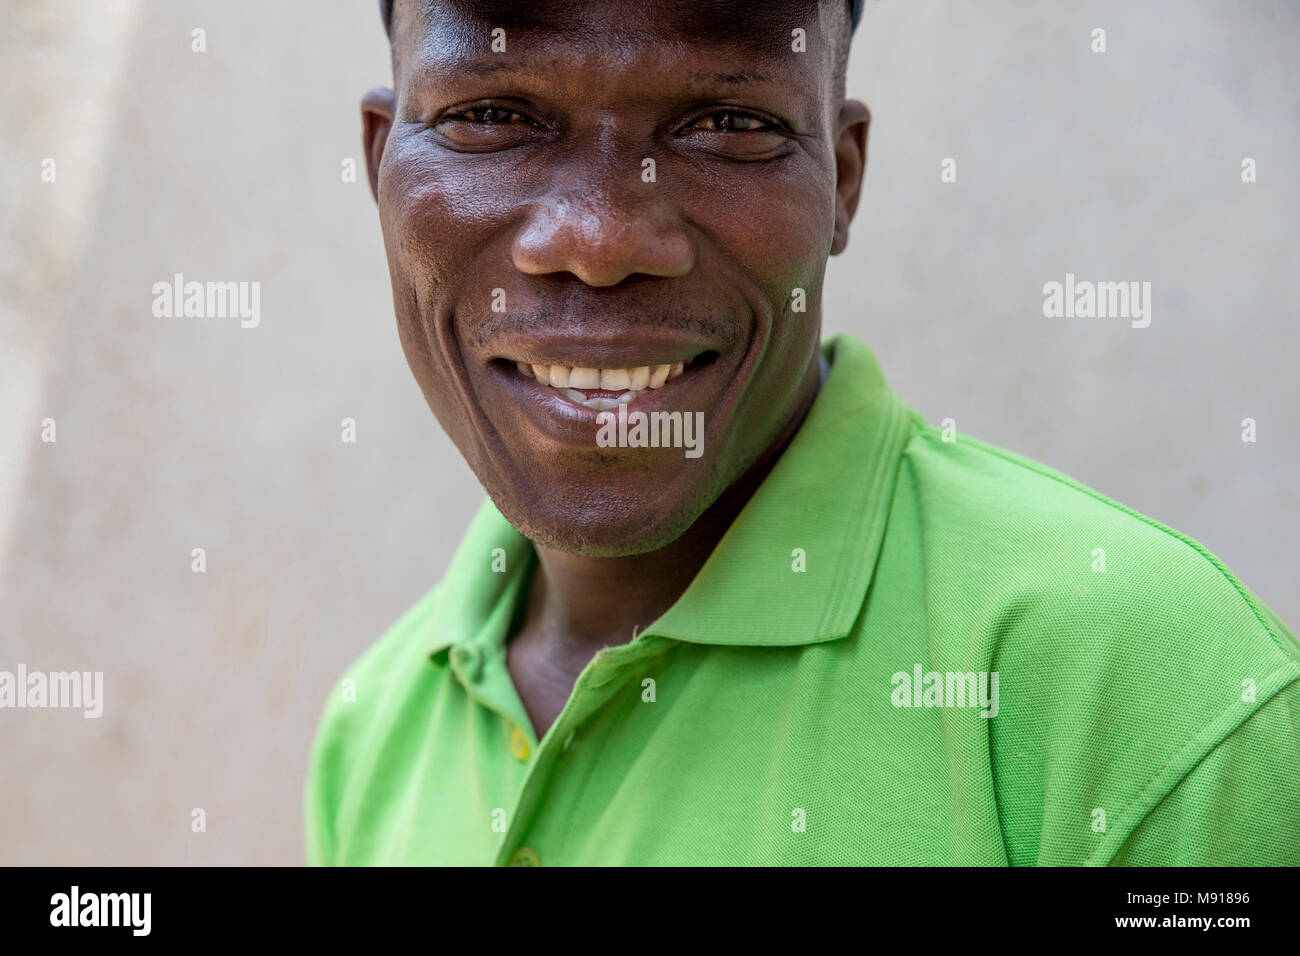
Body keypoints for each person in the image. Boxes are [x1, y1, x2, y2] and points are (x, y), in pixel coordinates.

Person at [304, 0, 1300, 865]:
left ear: (844, 179)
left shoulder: (1141, 686)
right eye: (491, 115)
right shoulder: (373, 728)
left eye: (727, 122)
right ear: (380, 161)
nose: (601, 238)